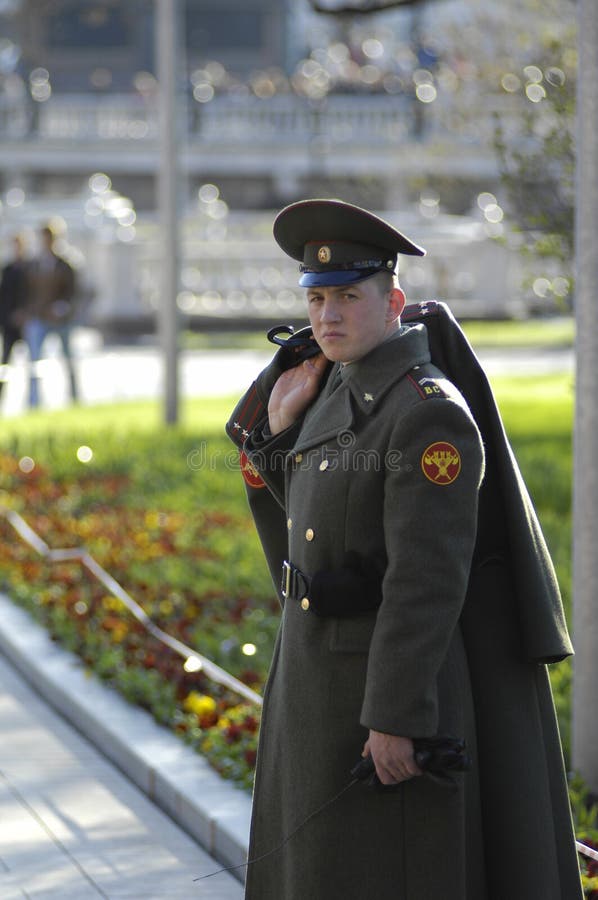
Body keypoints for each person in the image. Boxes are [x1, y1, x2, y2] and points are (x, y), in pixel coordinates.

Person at [226, 199, 582, 899]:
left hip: (377, 694)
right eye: (317, 299)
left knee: (380, 874)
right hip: (317, 679)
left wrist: (396, 718)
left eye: (348, 297)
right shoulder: (334, 384)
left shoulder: (427, 413)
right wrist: (279, 432)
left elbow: (426, 581)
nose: (327, 316)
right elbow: (316, 518)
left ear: (393, 302)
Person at [24, 224, 78, 408]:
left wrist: (60, 309)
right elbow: (28, 292)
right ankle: (34, 402)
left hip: (61, 320)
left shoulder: (66, 264)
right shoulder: (34, 264)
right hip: (39, 318)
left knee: (68, 359)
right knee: (35, 361)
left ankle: (74, 398)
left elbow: (72, 293)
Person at [0, 234, 28, 400]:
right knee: (5, 361)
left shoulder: (30, 268)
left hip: (25, 322)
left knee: (32, 362)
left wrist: (24, 313)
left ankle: (32, 399)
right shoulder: (8, 269)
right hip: (8, 322)